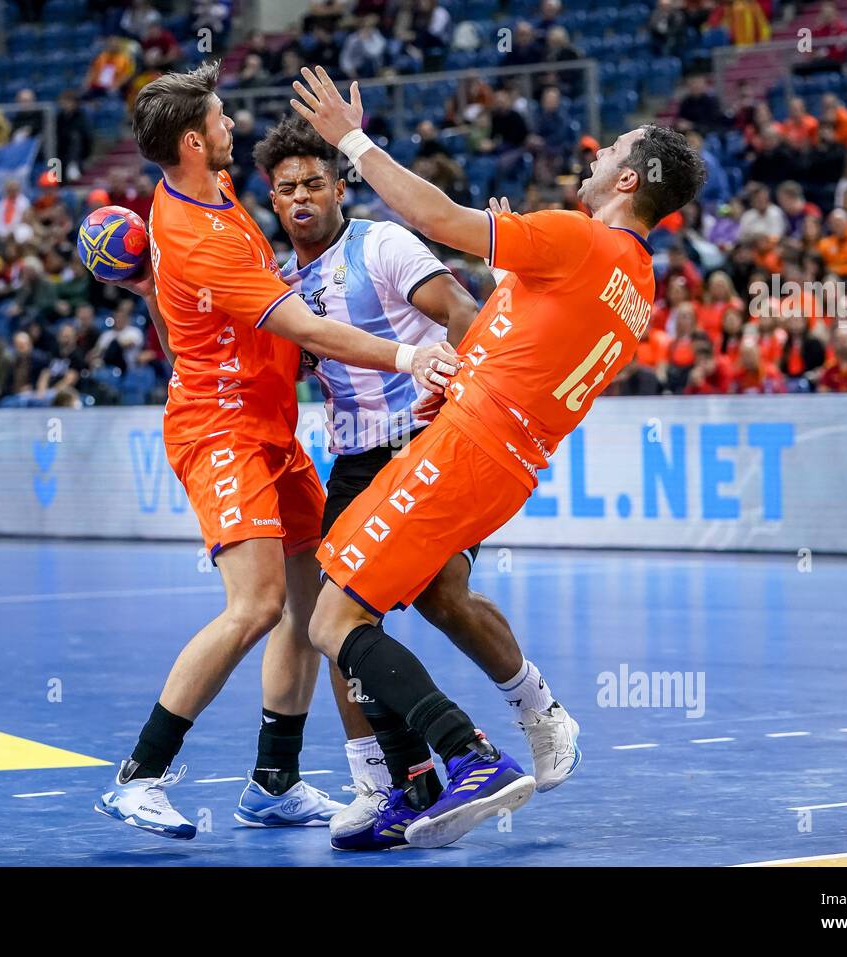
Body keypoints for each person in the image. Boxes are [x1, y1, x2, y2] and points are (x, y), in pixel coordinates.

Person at [291, 67, 705, 847]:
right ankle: (430, 778)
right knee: (424, 595)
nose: (591, 154)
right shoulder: (636, 281)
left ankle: (469, 760)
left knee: (335, 613)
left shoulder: (580, 237)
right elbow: (539, 345)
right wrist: (468, 364)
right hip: (499, 454)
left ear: (627, 178)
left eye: (607, 150)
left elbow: (434, 214)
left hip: (469, 449)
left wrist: (349, 137)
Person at [93, 63, 459, 840]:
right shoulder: (197, 235)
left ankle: (274, 778)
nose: (233, 127)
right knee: (257, 604)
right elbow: (306, 329)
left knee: (312, 604)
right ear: (194, 141)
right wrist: (407, 358)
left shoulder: (207, 192)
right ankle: (141, 774)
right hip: (221, 431)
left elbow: (178, 310)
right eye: (221, 119)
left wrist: (150, 295)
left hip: (271, 429)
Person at [253, 115, 580, 850]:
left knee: (439, 597)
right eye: (286, 188)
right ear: (273, 201)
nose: (301, 195)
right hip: (355, 458)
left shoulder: (383, 243)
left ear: (341, 186)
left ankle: (538, 710)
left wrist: (475, 399)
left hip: (430, 442)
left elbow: (463, 314)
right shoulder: (284, 282)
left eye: (313, 182)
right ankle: (390, 785)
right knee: (338, 624)